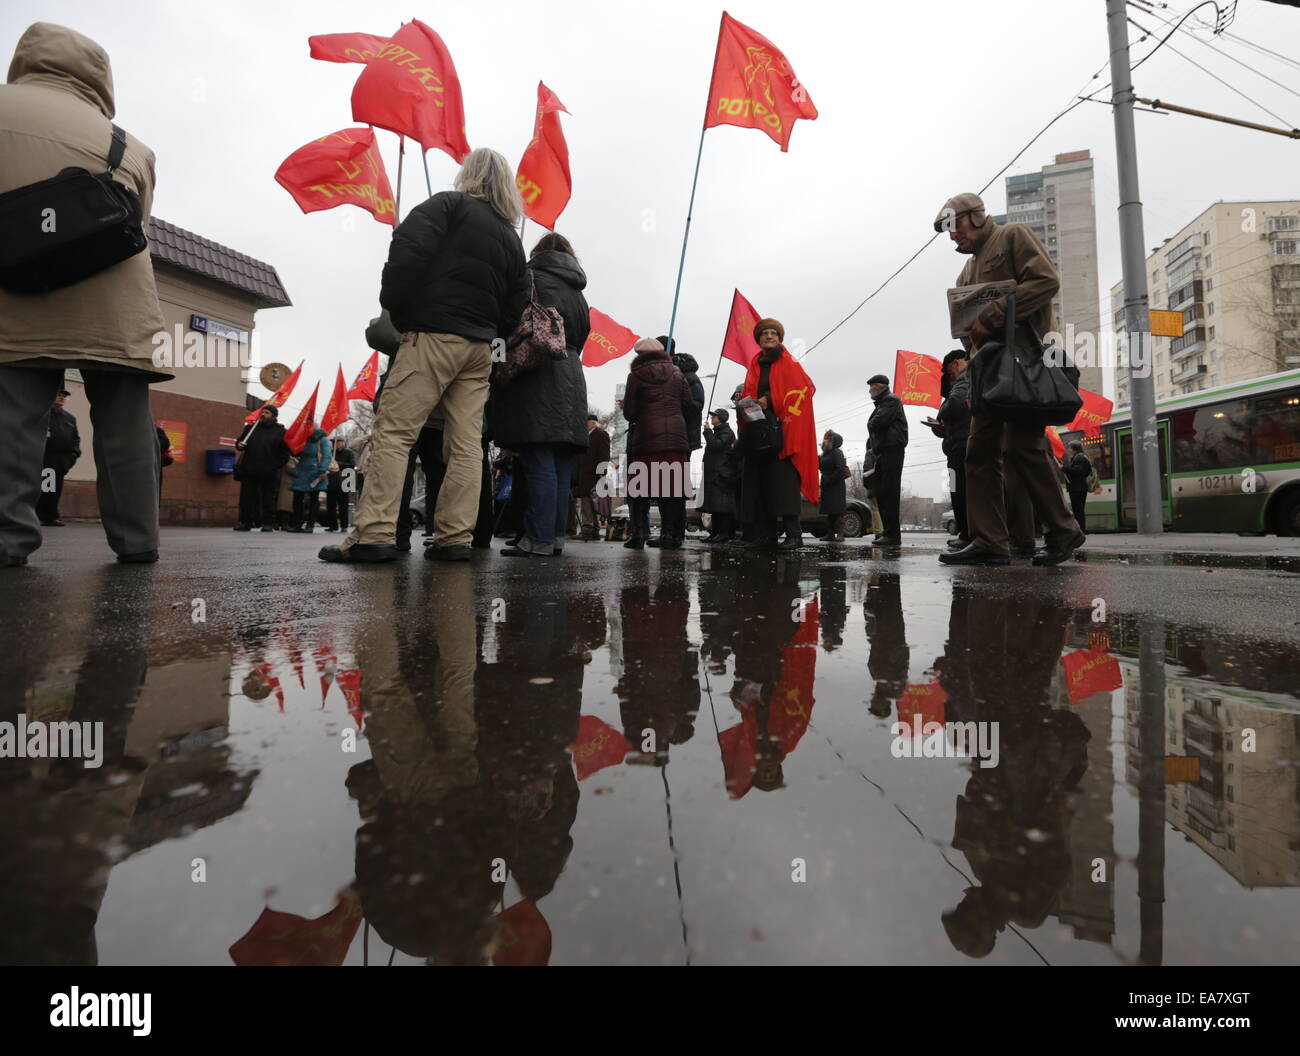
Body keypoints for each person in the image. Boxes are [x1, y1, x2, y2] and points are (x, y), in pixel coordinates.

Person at [0, 23, 170, 566]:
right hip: (116, 298)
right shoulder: (133, 147)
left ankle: (8, 539)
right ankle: (138, 541)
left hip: (17, 284)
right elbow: (138, 221)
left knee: (15, 414)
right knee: (126, 422)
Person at [320, 147, 529, 564]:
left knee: (395, 433)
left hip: (433, 334)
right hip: (479, 348)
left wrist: (398, 308)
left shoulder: (447, 205)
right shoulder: (510, 236)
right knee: (467, 443)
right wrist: (491, 331)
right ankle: (455, 537)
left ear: (468, 174)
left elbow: (406, 252)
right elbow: (518, 302)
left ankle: (373, 533)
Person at [934, 192, 1084, 567]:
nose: (953, 236)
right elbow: (968, 330)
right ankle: (990, 541)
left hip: (1024, 364)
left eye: (955, 226)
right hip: (987, 369)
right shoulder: (966, 273)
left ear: (976, 216)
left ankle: (1063, 530)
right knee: (978, 453)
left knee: (1025, 447)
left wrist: (995, 313)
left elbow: (1046, 281)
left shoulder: (1012, 235)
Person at [491, 232, 590, 558]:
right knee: (560, 464)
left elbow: (508, 319)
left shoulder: (530, 276)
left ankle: (537, 538)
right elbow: (582, 335)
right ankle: (554, 537)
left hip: (538, 372)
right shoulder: (578, 292)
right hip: (572, 375)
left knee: (539, 460)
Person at [738, 319, 819, 550]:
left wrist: (770, 400)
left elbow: (802, 392)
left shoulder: (790, 364)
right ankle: (767, 535)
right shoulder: (754, 365)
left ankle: (794, 535)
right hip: (759, 433)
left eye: (774, 333)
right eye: (764, 334)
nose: (769, 336)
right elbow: (749, 392)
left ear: (780, 338)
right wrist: (745, 405)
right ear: (759, 339)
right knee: (761, 485)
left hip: (783, 433)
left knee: (784, 485)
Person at [621, 338, 693, 550]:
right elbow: (688, 405)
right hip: (676, 439)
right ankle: (670, 535)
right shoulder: (677, 373)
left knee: (641, 489)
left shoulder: (635, 376)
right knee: (672, 489)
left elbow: (630, 413)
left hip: (647, 439)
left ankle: (639, 535)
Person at [924, 351, 971, 550]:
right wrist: (939, 426)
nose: (949, 376)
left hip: (961, 447)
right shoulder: (958, 385)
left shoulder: (965, 381)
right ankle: (964, 533)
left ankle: (967, 534)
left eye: (949, 371)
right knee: (955, 491)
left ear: (956, 363)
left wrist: (942, 416)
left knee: (962, 492)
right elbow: (947, 415)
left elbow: (951, 407)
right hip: (953, 447)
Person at [866, 374, 907, 547]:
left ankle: (893, 536)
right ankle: (888, 534)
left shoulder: (891, 400)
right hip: (884, 451)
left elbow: (876, 423)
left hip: (892, 450)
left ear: (880, 387)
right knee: (883, 493)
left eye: (871, 387)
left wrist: (872, 425)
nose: (869, 391)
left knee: (890, 493)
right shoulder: (884, 403)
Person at [234, 406, 289, 531]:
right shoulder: (251, 428)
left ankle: (268, 523)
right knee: (247, 498)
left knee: (268, 499)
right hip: (250, 470)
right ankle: (245, 522)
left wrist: (275, 466)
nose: (263, 414)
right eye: (262, 412)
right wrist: (239, 445)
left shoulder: (281, 431)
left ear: (274, 416)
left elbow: (285, 453)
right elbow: (240, 442)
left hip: (269, 472)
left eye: (267, 413)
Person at [36, 389, 81, 526]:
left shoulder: (69, 417)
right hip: (45, 458)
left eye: (64, 396)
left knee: (54, 490)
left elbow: (75, 439)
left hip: (62, 461)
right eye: (59, 395)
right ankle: (44, 516)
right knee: (46, 489)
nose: (62, 398)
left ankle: (49, 516)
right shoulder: (42, 414)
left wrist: (73, 456)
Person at [660, 338, 705, 453]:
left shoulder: (689, 377)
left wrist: (675, 401)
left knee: (678, 470)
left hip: (682, 436)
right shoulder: (662, 375)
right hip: (663, 436)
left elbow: (697, 404)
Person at [701, 408, 738, 542]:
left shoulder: (726, 432)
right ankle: (715, 533)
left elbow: (716, 446)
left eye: (714, 416)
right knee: (715, 506)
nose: (711, 418)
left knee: (722, 506)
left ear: (720, 418)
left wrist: (707, 431)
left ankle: (723, 534)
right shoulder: (719, 432)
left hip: (722, 475)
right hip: (715, 474)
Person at [574, 412, 610, 541]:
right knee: (589, 502)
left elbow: (604, 454)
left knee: (588, 503)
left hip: (593, 475)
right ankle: (593, 529)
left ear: (592, 423)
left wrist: (602, 472)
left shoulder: (601, 434)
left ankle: (587, 528)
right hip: (584, 474)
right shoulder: (586, 435)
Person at [289, 423, 329, 532]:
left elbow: (326, 455)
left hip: (316, 471)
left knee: (314, 499)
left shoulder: (323, 440)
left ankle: (310, 525)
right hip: (301, 470)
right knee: (297, 498)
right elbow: (294, 452)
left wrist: (322, 469)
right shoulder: (302, 438)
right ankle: (297, 524)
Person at [819, 429, 848, 543]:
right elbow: (823, 467)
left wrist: (830, 479)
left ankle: (840, 533)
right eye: (824, 438)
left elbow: (840, 468)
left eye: (827, 438)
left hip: (836, 485)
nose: (824, 440)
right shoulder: (825, 454)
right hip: (827, 485)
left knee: (837, 511)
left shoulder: (837, 452)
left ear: (833, 441)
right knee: (830, 511)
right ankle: (830, 533)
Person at [324, 438, 357, 532]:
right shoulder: (330, 453)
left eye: (338, 443)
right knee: (330, 505)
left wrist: (338, 463)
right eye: (334, 443)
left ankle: (344, 526)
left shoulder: (348, 453)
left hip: (344, 482)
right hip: (331, 482)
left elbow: (352, 465)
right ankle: (332, 525)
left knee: (343, 506)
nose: (336, 445)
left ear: (342, 443)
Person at [1062, 440, 1093, 533]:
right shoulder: (1083, 457)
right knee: (1079, 509)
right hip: (1080, 487)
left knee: (1078, 510)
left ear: (1074, 449)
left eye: (1070, 448)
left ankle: (1080, 530)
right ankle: (1081, 529)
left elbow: (1077, 470)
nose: (1068, 450)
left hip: (1077, 488)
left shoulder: (1079, 458)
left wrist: (1063, 468)